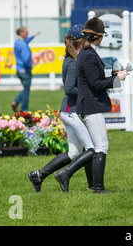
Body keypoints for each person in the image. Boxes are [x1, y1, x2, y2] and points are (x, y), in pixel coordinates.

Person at [54, 17, 127, 194]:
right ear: (99, 37)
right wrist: (117, 80)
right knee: (101, 147)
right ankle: (93, 185)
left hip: (89, 105)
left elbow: (94, 80)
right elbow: (95, 85)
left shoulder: (86, 53)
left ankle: (93, 185)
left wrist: (113, 75)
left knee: (97, 147)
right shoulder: (88, 55)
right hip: (91, 105)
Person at [28, 25, 95, 192]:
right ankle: (69, 176)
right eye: (87, 38)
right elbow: (69, 89)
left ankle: (39, 174)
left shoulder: (72, 58)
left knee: (73, 153)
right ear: (81, 41)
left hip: (70, 111)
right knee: (91, 149)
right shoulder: (72, 62)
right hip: (71, 111)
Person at [11, 26, 40, 112]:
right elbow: (26, 58)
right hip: (25, 70)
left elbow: (26, 40)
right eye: (26, 32)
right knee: (26, 90)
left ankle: (18, 104)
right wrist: (30, 67)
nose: (27, 34)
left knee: (25, 89)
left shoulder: (18, 42)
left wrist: (34, 35)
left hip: (19, 70)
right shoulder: (23, 45)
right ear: (21, 33)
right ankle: (22, 108)